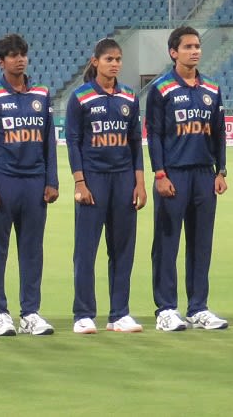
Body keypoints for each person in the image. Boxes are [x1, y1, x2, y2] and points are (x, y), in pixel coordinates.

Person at [146, 26, 228, 332]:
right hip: (174, 175)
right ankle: (166, 308)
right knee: (167, 244)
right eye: (188, 47)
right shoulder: (162, 89)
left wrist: (221, 170)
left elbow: (219, 132)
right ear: (173, 52)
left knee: (201, 244)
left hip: (204, 175)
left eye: (197, 46)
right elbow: (153, 134)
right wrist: (160, 173)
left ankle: (198, 308)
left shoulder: (211, 89)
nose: (195, 51)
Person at [0, 34, 59, 336]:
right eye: (12, 55)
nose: (19, 59)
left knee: (32, 251)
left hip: (35, 182)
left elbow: (49, 138)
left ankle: (31, 313)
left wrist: (51, 180)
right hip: (4, 181)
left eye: (22, 53)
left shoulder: (41, 93)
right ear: (1, 61)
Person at [65, 39, 146, 335]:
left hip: (124, 178)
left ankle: (119, 313)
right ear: (95, 61)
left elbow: (136, 141)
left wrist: (139, 182)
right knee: (86, 250)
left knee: (123, 249)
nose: (114, 64)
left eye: (118, 59)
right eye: (109, 59)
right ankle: (83, 313)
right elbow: (72, 141)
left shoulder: (128, 97)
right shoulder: (81, 97)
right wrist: (80, 181)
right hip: (93, 180)